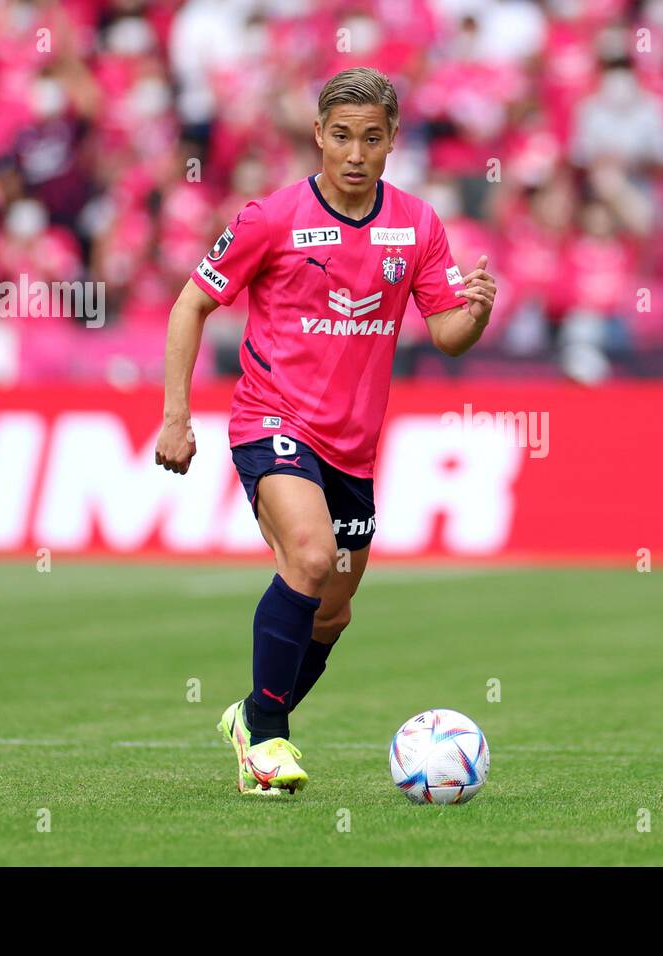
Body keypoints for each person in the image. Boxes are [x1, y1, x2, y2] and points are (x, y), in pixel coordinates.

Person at [153, 67, 497, 794]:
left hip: (354, 445)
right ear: (318, 135)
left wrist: (478, 311)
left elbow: (447, 333)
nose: (354, 153)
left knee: (332, 612)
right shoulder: (269, 218)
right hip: (272, 418)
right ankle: (269, 743)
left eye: (371, 138)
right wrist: (176, 416)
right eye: (340, 136)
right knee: (309, 557)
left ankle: (251, 716)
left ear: (392, 141)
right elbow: (190, 305)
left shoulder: (417, 225)